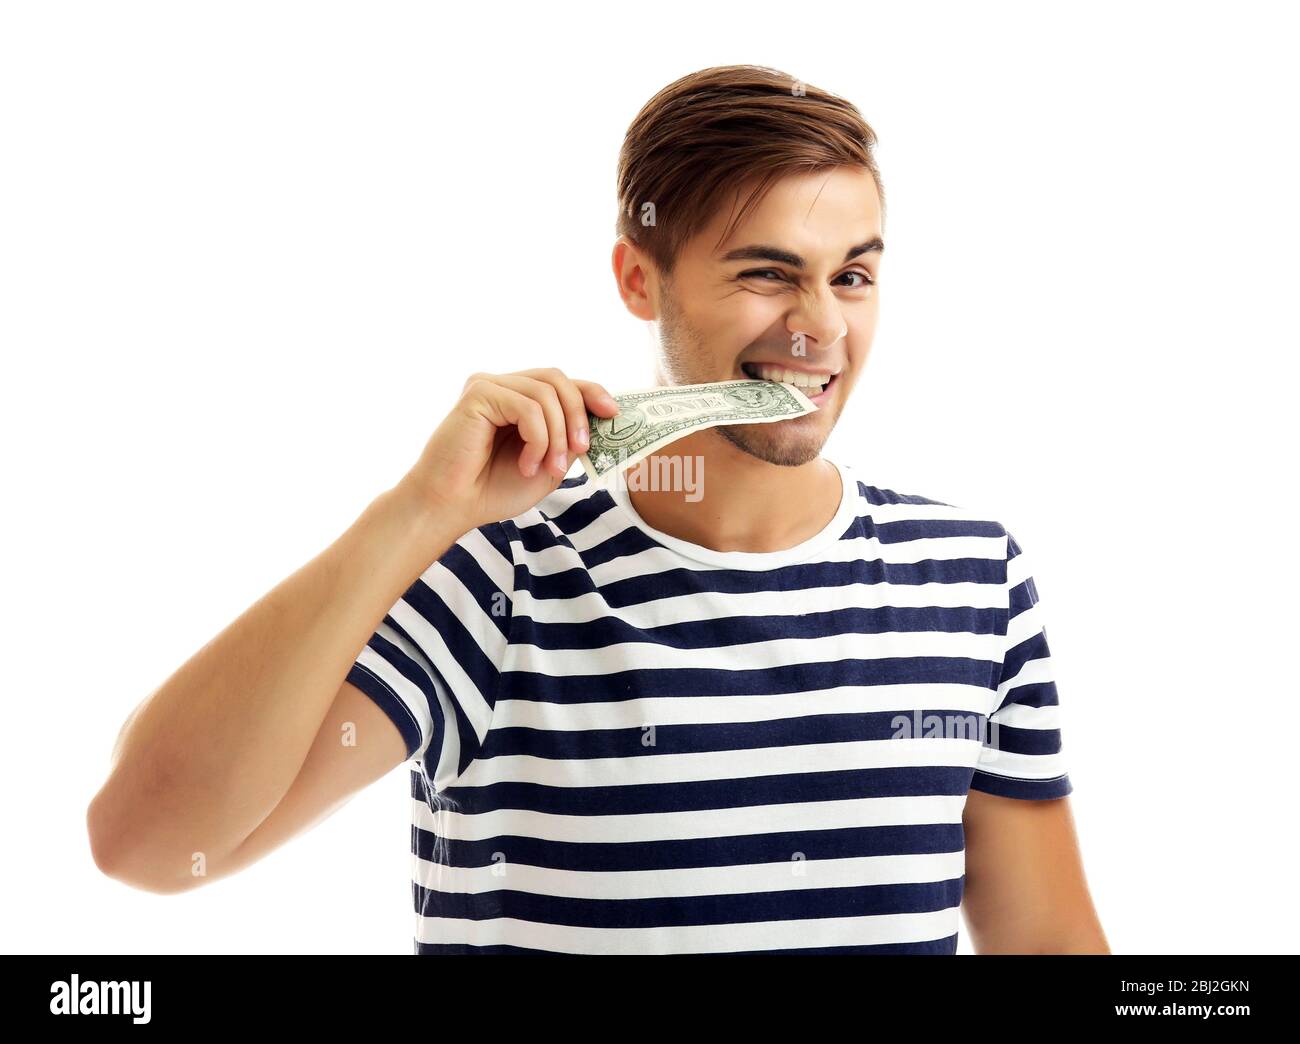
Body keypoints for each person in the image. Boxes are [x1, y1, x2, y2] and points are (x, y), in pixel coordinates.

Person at [87, 64, 1109, 955]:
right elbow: (147, 846)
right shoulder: (499, 575)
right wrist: (415, 512)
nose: (820, 327)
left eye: (853, 276)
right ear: (637, 276)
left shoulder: (969, 576)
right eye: (767, 276)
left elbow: (1049, 942)